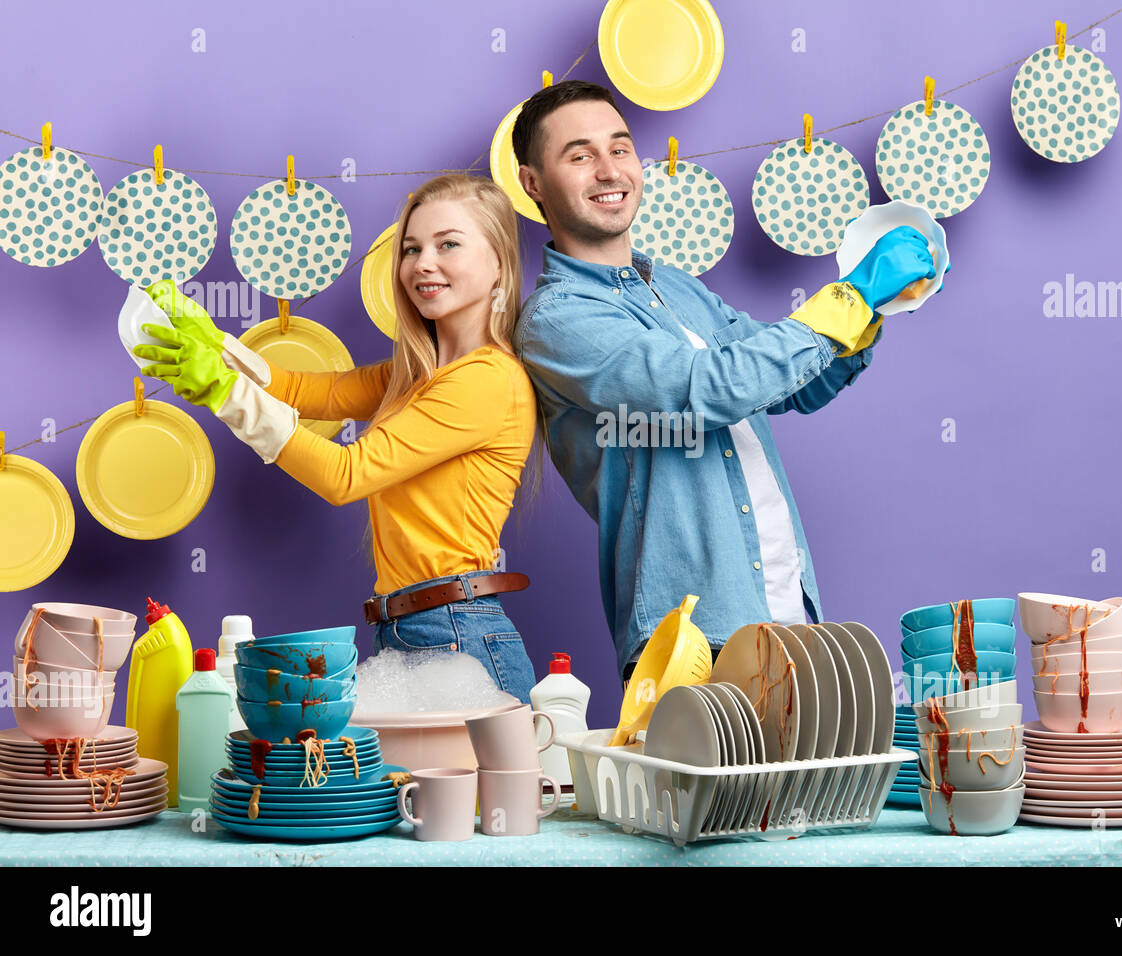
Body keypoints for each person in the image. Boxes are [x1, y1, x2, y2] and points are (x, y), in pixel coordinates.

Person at [510, 80, 937, 685]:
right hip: (692, 640)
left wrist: (876, 306)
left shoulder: (679, 287)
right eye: (579, 156)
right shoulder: (558, 320)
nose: (609, 170)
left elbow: (793, 384)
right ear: (533, 183)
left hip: (792, 616)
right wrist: (850, 297)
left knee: (816, 783)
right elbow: (705, 389)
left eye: (621, 148)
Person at [133, 174, 540, 703]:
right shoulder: (416, 376)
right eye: (411, 248)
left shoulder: (488, 380)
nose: (422, 263)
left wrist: (227, 392)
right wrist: (217, 345)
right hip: (411, 628)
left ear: (500, 266)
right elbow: (306, 391)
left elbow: (345, 476)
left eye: (449, 244)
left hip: (457, 633)